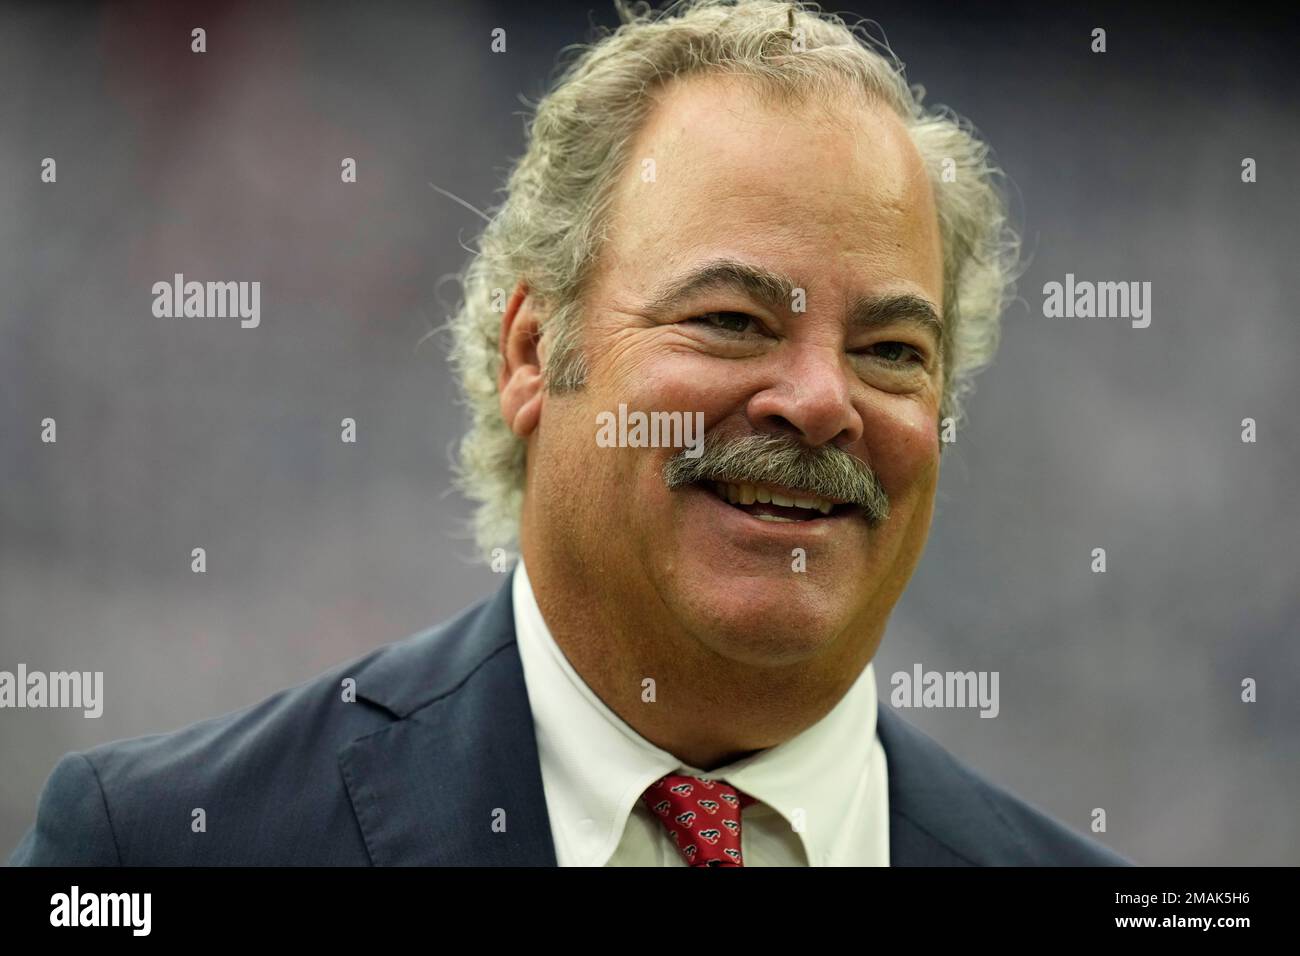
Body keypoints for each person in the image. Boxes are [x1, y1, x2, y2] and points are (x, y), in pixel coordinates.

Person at [10, 0, 1129, 867]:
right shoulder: (164, 846)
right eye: (733, 320)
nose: (821, 399)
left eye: (891, 349)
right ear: (533, 353)